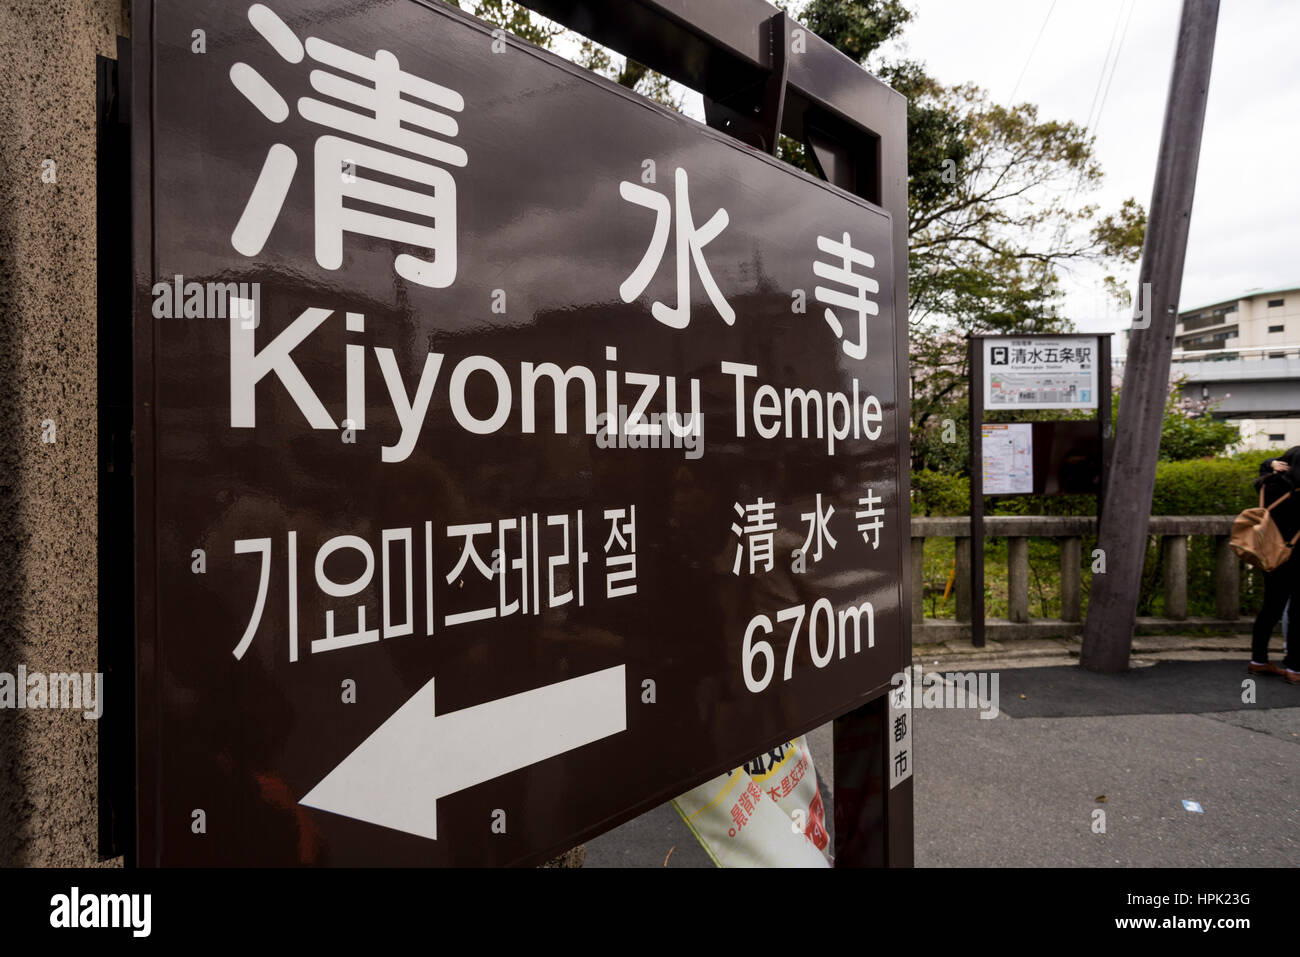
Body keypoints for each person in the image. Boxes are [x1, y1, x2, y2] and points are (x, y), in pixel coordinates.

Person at [1249, 446, 1300, 684]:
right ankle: (1294, 667)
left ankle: (1258, 660)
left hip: (1271, 554)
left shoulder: (1267, 486)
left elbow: (1260, 476)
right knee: (1298, 613)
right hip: (1296, 555)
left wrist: (1268, 463)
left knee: (1270, 608)